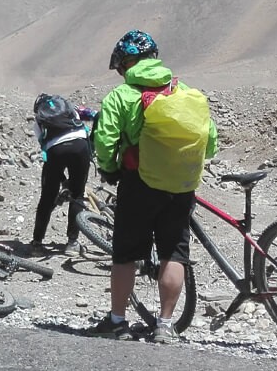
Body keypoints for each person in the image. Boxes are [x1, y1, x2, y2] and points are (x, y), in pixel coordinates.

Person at [88, 30, 217, 343]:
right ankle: (165, 324)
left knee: (126, 255)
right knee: (174, 252)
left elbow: (104, 141)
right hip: (180, 185)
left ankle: (117, 322)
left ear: (128, 64)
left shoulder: (123, 95)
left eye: (121, 67)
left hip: (139, 182)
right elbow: (210, 141)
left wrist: (109, 168)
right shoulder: (182, 90)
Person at [29, 93, 91, 254]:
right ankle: (72, 243)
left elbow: (44, 146)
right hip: (80, 145)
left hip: (55, 150)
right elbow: (88, 120)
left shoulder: (39, 119)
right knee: (77, 196)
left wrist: (61, 179)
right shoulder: (69, 108)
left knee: (47, 197)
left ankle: (37, 244)